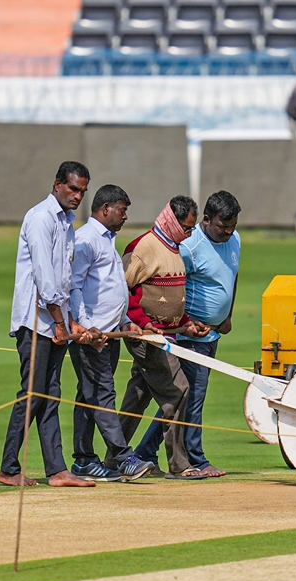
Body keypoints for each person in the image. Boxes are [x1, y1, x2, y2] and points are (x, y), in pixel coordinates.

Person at [0, 161, 97, 489]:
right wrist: (59, 323)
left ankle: (57, 470)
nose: (78, 196)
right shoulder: (41, 218)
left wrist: (68, 322)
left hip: (55, 321)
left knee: (50, 395)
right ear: (57, 184)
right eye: (73, 189)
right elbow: (44, 278)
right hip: (35, 321)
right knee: (32, 395)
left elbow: (64, 280)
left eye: (82, 190)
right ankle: (9, 468)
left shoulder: (66, 222)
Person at [134, 191, 242, 477]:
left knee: (179, 398)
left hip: (213, 334)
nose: (228, 232)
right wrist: (187, 321)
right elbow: (171, 286)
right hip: (189, 335)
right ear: (206, 220)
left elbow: (233, 275)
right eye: (222, 226)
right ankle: (194, 458)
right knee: (190, 397)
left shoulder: (234, 239)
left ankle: (144, 451)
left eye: (232, 226)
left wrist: (228, 314)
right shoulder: (190, 246)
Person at [116, 196, 211, 480]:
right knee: (178, 389)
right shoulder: (143, 247)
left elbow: (169, 297)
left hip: (166, 335)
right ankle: (179, 464)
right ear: (172, 221)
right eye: (187, 227)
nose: (190, 234)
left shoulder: (174, 247)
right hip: (145, 336)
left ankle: (114, 454)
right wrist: (141, 324)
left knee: (139, 395)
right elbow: (122, 290)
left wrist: (186, 324)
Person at [67, 184, 153, 482]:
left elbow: (110, 290)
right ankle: (121, 455)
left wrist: (125, 321)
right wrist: (84, 325)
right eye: (122, 210)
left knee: (89, 395)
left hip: (109, 334)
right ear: (105, 209)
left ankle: (83, 460)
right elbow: (73, 286)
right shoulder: (87, 240)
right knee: (102, 393)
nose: (125, 216)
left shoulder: (107, 241)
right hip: (91, 336)